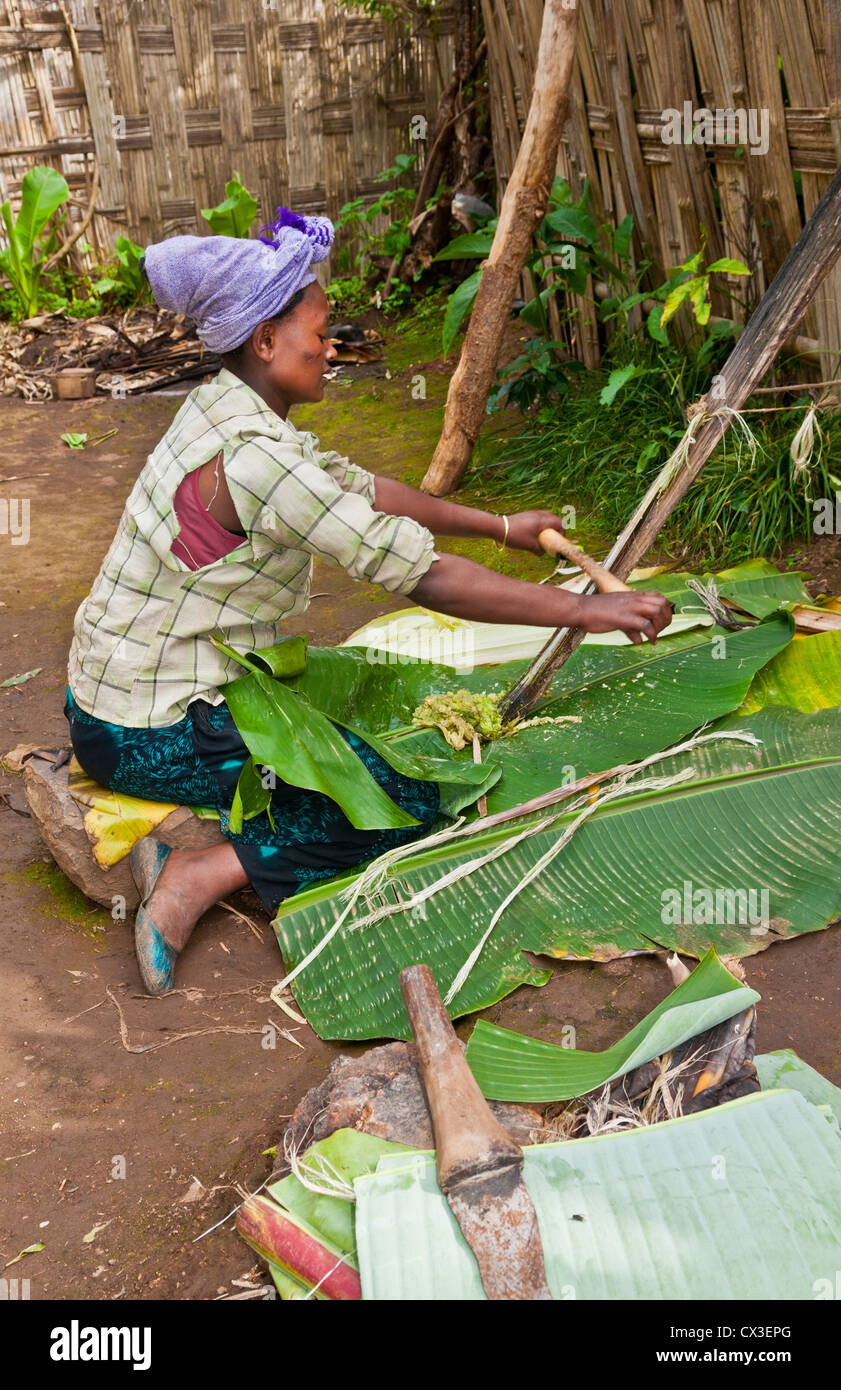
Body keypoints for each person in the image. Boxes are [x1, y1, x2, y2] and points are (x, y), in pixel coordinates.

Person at [65, 207, 672, 996]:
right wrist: (587, 612)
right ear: (263, 342)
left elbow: (363, 488)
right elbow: (422, 576)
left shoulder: (225, 406)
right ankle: (201, 873)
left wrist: (500, 527)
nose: (331, 347)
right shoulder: (258, 459)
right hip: (146, 734)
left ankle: (208, 855)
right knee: (414, 798)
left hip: (103, 705)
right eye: (317, 332)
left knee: (364, 718)